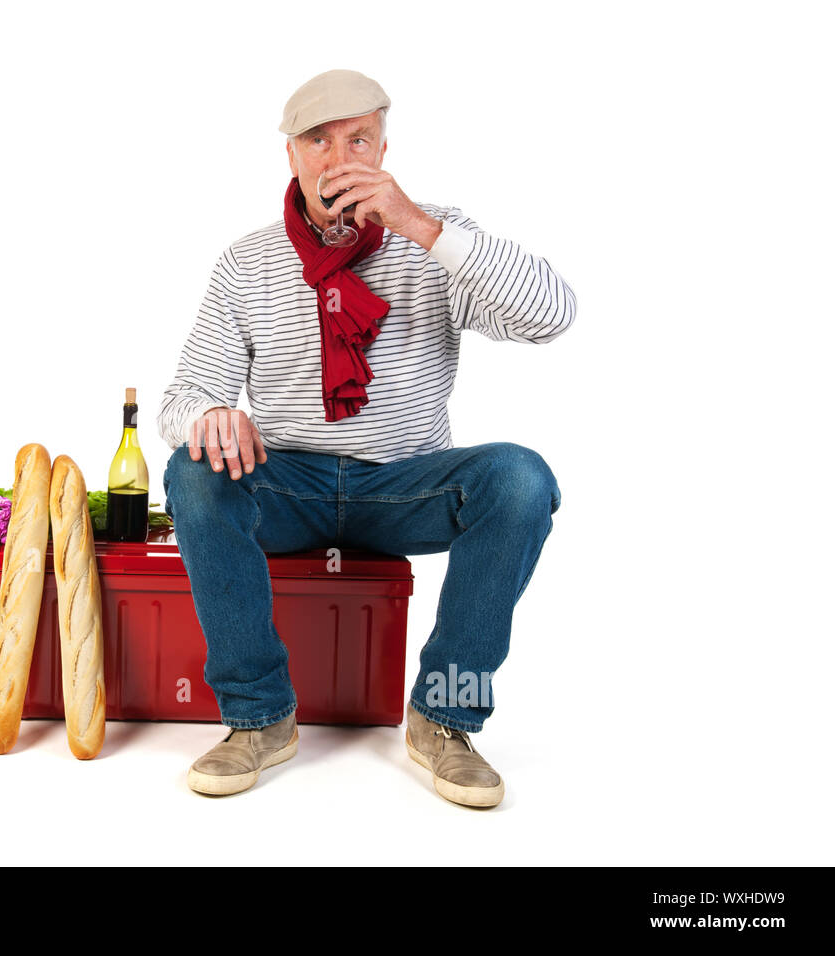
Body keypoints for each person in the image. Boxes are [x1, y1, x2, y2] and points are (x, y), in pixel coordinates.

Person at [157, 69, 576, 807]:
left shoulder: (436, 235)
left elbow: (553, 313)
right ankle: (258, 717)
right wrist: (209, 418)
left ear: (383, 151)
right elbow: (182, 396)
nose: (337, 157)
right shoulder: (246, 263)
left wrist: (421, 228)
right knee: (192, 468)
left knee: (520, 478)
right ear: (291, 156)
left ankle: (443, 716)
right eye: (318, 141)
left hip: (405, 485)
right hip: (288, 482)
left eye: (357, 139)